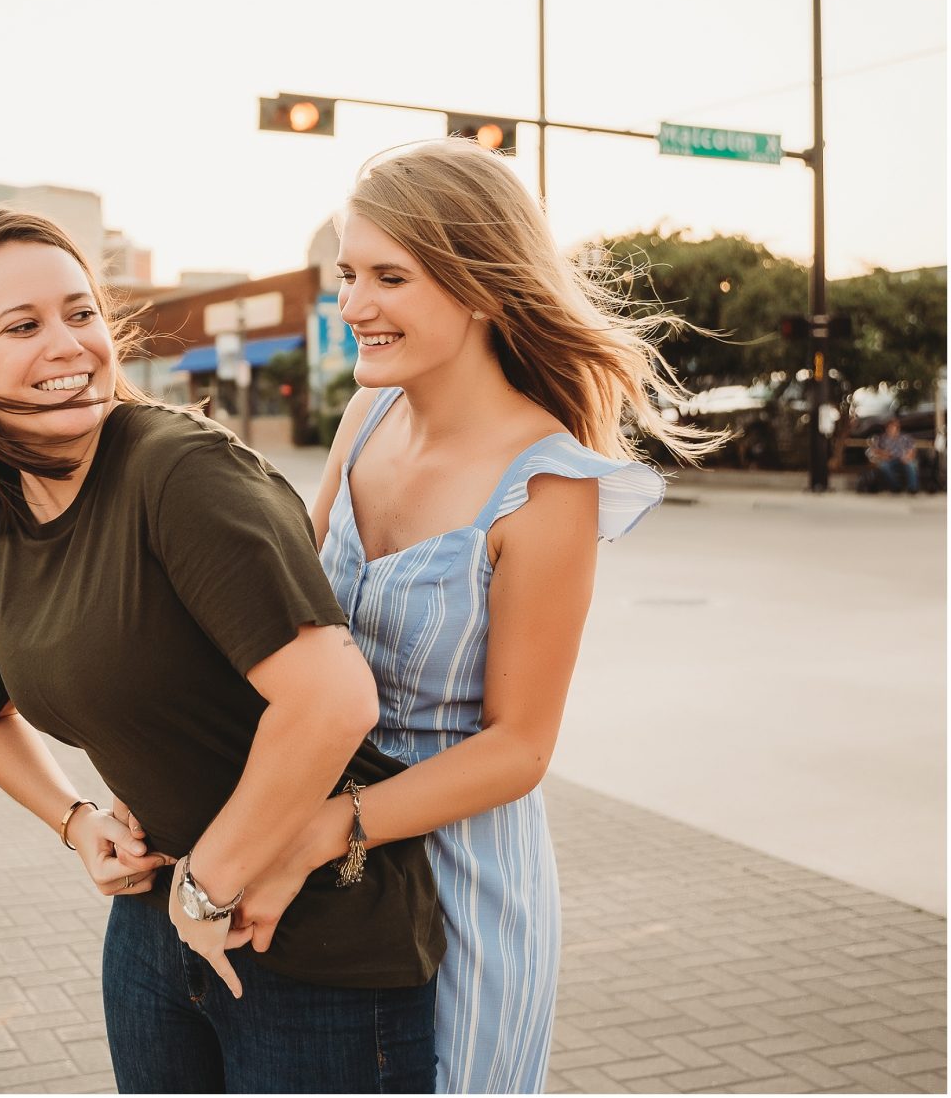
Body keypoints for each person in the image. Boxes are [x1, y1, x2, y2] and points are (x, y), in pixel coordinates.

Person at [228, 139, 729, 1095]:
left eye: (390, 277)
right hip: (327, 864)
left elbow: (520, 747)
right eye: (347, 275)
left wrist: (327, 827)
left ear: (482, 287)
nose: (354, 306)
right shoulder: (364, 420)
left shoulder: (547, 485)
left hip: (461, 883)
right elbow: (290, 626)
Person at [0, 207, 446, 1093]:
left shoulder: (179, 471)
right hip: (155, 932)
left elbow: (333, 700)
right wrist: (76, 822)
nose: (68, 344)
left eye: (81, 312)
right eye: (22, 326)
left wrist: (210, 885)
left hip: (316, 937)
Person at [866, 417, 919, 494]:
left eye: (893, 427)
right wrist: (883, 455)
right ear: (886, 428)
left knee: (911, 465)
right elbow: (875, 450)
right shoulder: (882, 439)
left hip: (903, 458)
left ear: (897, 429)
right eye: (889, 428)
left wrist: (907, 456)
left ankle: (912, 488)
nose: (891, 429)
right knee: (883, 466)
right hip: (889, 460)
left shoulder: (905, 437)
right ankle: (896, 487)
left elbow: (912, 450)